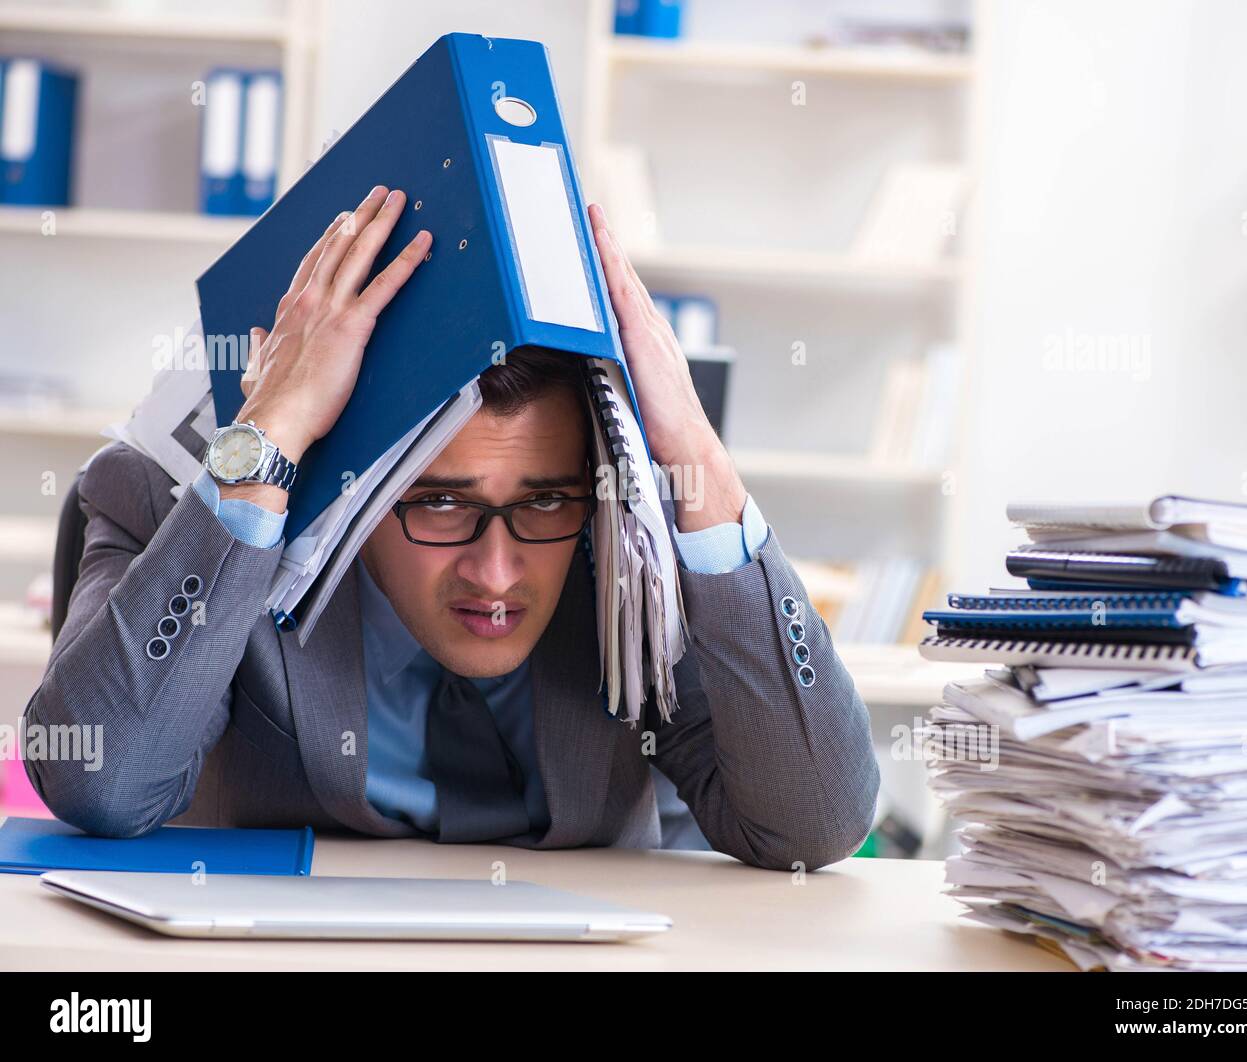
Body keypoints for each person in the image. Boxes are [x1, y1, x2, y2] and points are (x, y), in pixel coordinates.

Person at [24, 185, 879, 871]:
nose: (498, 573)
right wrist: (272, 436)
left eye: (543, 499)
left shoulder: (627, 545)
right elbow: (101, 782)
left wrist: (699, 454)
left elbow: (813, 825)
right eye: (441, 503)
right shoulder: (172, 500)